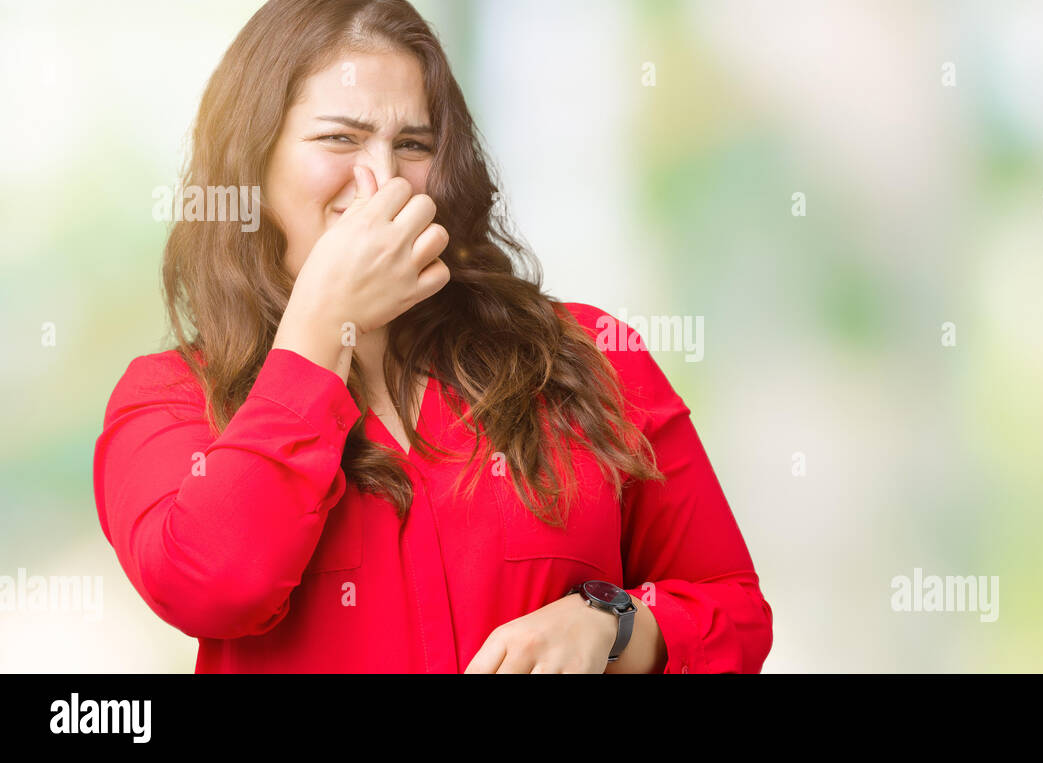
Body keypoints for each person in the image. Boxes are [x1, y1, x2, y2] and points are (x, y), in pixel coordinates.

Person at [92, 0, 773, 673]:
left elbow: (733, 611)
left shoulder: (589, 356)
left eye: (413, 145)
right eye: (340, 139)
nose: (384, 181)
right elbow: (210, 584)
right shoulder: (169, 402)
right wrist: (322, 327)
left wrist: (614, 624)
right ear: (252, 168)